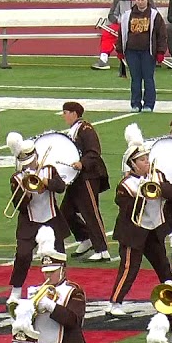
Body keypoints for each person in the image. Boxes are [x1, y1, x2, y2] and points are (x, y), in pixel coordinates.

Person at [108, 125, 172, 316]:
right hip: (133, 232)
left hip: (154, 229)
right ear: (133, 164)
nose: (146, 162)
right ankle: (115, 303)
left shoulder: (158, 175)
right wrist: (143, 190)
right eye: (141, 160)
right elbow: (124, 204)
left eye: (147, 158)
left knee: (163, 264)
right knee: (130, 268)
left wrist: (158, 186)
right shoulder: (126, 184)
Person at [4, 132, 68, 302]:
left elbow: (61, 187)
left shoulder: (49, 170)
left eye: (30, 162)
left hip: (51, 218)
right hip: (30, 222)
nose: (28, 166)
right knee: (23, 255)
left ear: (36, 157)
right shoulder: (17, 178)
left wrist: (46, 182)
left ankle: (61, 287)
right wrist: (27, 192)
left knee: (59, 254)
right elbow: (19, 206)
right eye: (24, 164)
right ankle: (16, 291)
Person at [62, 102, 111, 261]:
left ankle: (102, 250)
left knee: (90, 211)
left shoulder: (85, 129)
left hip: (88, 176)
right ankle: (85, 237)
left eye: (66, 112)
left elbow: (94, 151)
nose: (64, 116)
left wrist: (82, 163)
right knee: (65, 212)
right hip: (76, 177)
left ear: (74, 113)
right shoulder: (75, 129)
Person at [94, 0, 149, 74]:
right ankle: (103, 59)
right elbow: (111, 15)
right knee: (108, 32)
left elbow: (152, 11)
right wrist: (119, 21)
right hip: (122, 25)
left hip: (140, 24)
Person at [123, 0, 168, 113]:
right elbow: (122, 32)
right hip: (131, 52)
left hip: (148, 52)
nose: (140, 2)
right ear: (135, 1)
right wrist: (119, 49)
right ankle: (135, 104)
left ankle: (149, 104)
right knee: (135, 79)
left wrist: (160, 51)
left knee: (148, 78)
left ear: (147, 1)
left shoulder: (154, 15)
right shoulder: (127, 15)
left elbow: (162, 35)